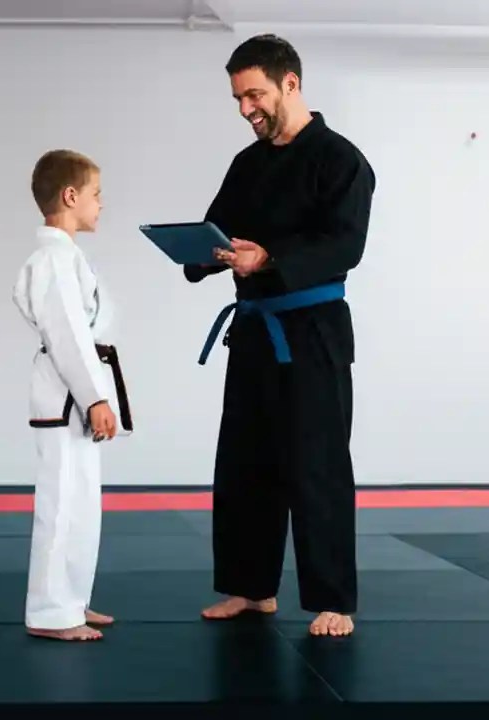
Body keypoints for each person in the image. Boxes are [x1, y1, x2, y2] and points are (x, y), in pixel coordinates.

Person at [186, 34, 375, 637]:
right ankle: (251, 588)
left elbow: (345, 246)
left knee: (316, 464)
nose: (246, 109)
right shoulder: (248, 163)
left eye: (254, 95)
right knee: (245, 461)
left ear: (290, 83)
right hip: (253, 330)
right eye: (238, 99)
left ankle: (333, 600)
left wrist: (268, 258)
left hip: (313, 331)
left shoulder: (341, 160)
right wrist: (202, 252)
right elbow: (218, 228)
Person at [12, 149, 133, 641]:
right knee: (61, 504)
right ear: (69, 196)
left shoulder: (66, 257)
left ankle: (72, 600)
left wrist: (96, 396)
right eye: (95, 194)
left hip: (75, 392)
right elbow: (66, 335)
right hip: (67, 395)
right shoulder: (53, 260)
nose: (102, 203)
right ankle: (50, 612)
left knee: (82, 503)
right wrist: (94, 399)